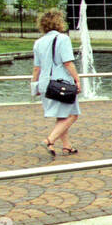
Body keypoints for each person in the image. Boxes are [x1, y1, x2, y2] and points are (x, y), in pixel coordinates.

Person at [31, 8, 82, 156]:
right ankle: (49, 140)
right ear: (59, 22)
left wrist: (35, 86)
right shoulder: (63, 39)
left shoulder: (38, 42)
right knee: (73, 114)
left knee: (63, 115)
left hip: (46, 84)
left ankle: (67, 146)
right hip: (61, 83)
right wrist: (77, 80)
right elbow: (68, 63)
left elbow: (36, 68)